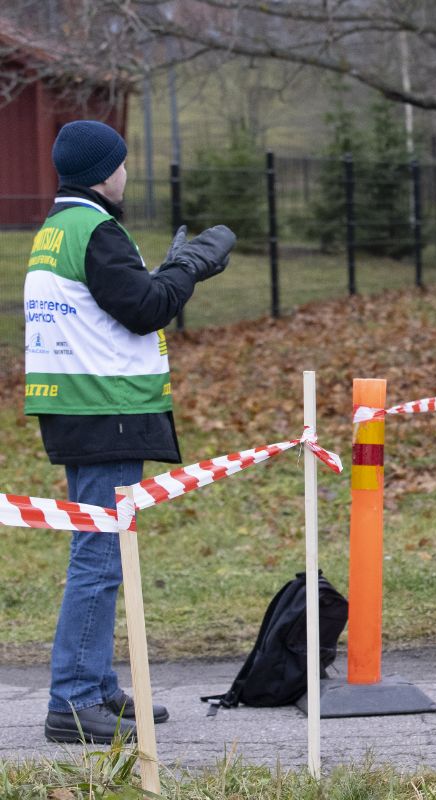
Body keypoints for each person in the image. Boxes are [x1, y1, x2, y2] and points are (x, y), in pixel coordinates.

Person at [25, 120, 236, 744]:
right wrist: (189, 267)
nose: (127, 173)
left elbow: (126, 299)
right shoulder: (95, 230)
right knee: (97, 558)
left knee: (104, 555)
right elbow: (144, 309)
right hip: (104, 410)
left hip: (81, 408)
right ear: (104, 172)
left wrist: (168, 271)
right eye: (121, 163)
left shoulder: (57, 229)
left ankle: (95, 684)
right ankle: (73, 700)